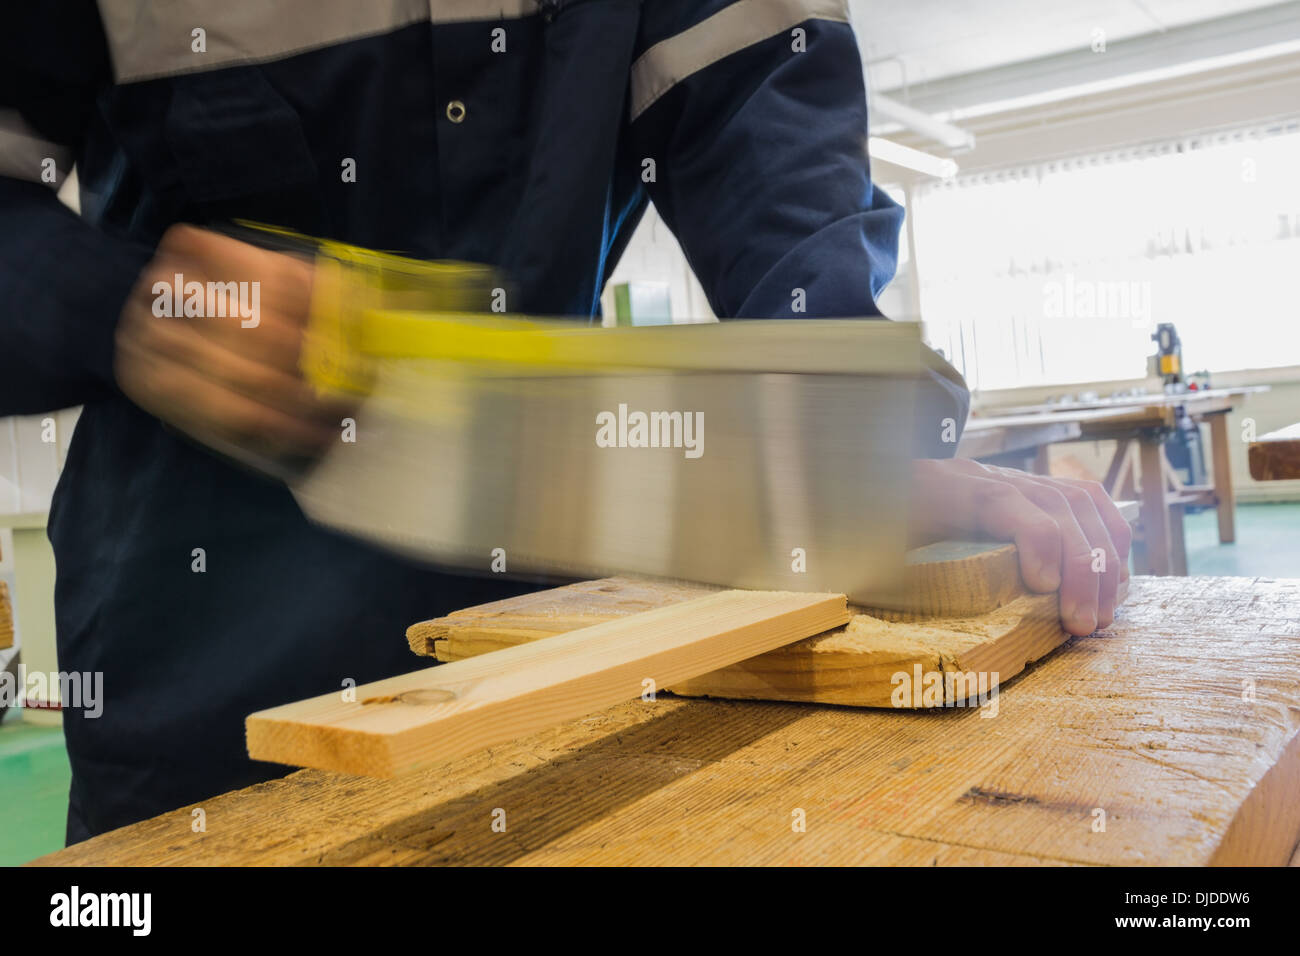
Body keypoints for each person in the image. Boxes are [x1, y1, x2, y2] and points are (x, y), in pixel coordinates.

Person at [0, 0, 1126, 842]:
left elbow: (762, 125)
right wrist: (129, 307)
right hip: (193, 656)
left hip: (558, 640)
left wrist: (844, 442)